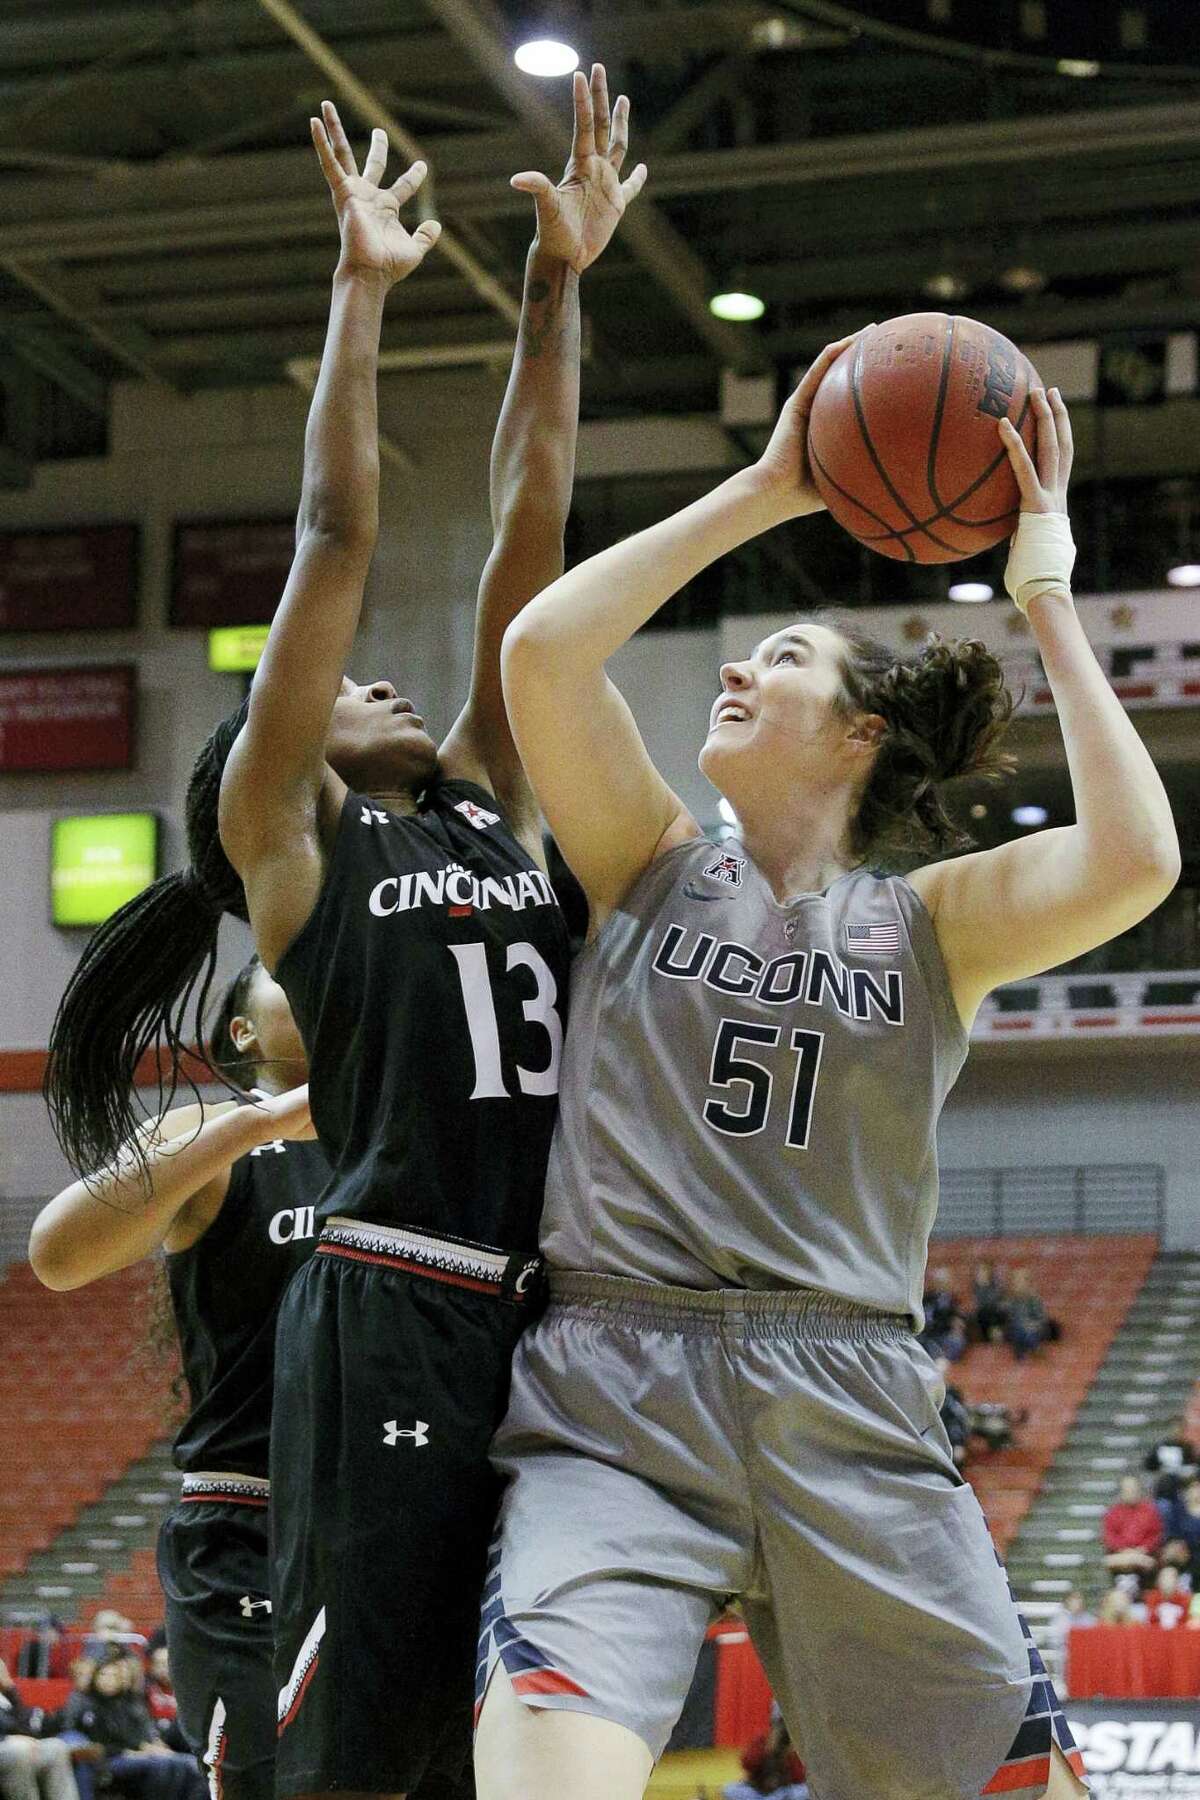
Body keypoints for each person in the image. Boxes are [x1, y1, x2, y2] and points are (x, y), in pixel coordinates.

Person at [475, 345, 1177, 1800]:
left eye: (784, 656)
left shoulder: (928, 923)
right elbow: (541, 652)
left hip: (849, 1395)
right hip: (615, 1385)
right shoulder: (648, 859)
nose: (739, 668)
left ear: (863, 735)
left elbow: (1136, 859)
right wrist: (767, 487)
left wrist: (1045, 589)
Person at [34, 958, 325, 1800]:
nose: (320, 963)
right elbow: (58, 1253)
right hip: (248, 1524)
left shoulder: (417, 1130)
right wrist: (266, 1120)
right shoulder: (209, 1135)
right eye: (287, 963)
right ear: (243, 1032)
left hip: (401, 1516)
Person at [60, 1653, 204, 1800]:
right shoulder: (88, 1705)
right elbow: (95, 1744)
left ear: (121, 1681)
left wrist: (148, 1748)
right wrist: (132, 1751)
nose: (108, 1679)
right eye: (103, 1674)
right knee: (162, 1765)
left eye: (114, 1676)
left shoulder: (126, 1704)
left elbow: (137, 1736)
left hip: (135, 1753)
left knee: (185, 1766)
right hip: (111, 1758)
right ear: (95, 1677)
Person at [0, 1660, 79, 1800]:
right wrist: (8, 1739)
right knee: (19, 1749)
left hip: (16, 1746)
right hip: (10, 1747)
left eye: (3, 1669)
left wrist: (11, 1690)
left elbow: (27, 1725)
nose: (3, 1673)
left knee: (56, 1747)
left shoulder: (6, 1697)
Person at [724, 1711, 809, 1799]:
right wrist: (767, 1750)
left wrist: (789, 1755)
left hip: (782, 1792)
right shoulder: (763, 1740)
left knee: (803, 1791)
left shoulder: (797, 1744)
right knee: (730, 1789)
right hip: (759, 1791)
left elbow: (800, 1776)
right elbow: (747, 1764)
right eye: (780, 1724)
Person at [1102, 1474, 1164, 1580]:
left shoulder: (1150, 1511)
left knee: (1146, 1562)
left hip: (1145, 1555)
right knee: (1111, 1561)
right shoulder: (1113, 1512)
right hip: (1120, 1555)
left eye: (1133, 1489)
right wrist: (1124, 1551)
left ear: (1139, 1490)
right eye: (1127, 1490)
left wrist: (1142, 1550)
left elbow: (1155, 1535)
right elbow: (1110, 1536)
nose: (1130, 1492)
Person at [1004, 1268, 1057, 1360]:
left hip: (1034, 1329)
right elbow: (1007, 1317)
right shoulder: (1009, 1300)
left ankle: (1027, 1350)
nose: (1020, 1284)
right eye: (1017, 1281)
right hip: (1016, 1330)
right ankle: (1032, 1348)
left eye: (1022, 1281)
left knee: (1031, 1331)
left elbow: (1041, 1318)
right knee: (1018, 1328)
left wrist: (1033, 1325)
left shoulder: (1034, 1300)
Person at [1144, 1419, 1199, 1503]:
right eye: (1174, 1428)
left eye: (1179, 1429)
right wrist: (1160, 1469)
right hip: (1166, 1485)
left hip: (1185, 1485)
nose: (1176, 1432)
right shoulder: (1161, 1446)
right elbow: (1149, 1465)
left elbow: (1195, 1466)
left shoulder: (1188, 1448)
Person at [973, 1260, 1010, 1342]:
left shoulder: (995, 1286)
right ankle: (995, 1334)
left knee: (1002, 1310)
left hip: (995, 1315)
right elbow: (981, 1304)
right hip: (982, 1316)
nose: (981, 1274)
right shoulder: (975, 1288)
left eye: (984, 1271)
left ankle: (996, 1333)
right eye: (980, 1271)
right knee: (986, 1311)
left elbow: (1002, 1301)